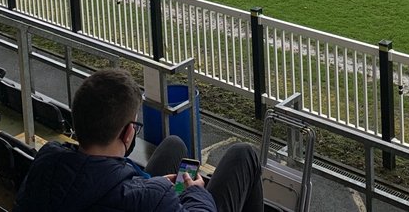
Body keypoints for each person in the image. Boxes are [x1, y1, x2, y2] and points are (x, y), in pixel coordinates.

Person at [14, 68, 263, 212]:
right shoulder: (154, 198)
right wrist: (196, 194)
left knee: (174, 144)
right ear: (128, 132)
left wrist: (149, 185)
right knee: (245, 154)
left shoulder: (46, 162)